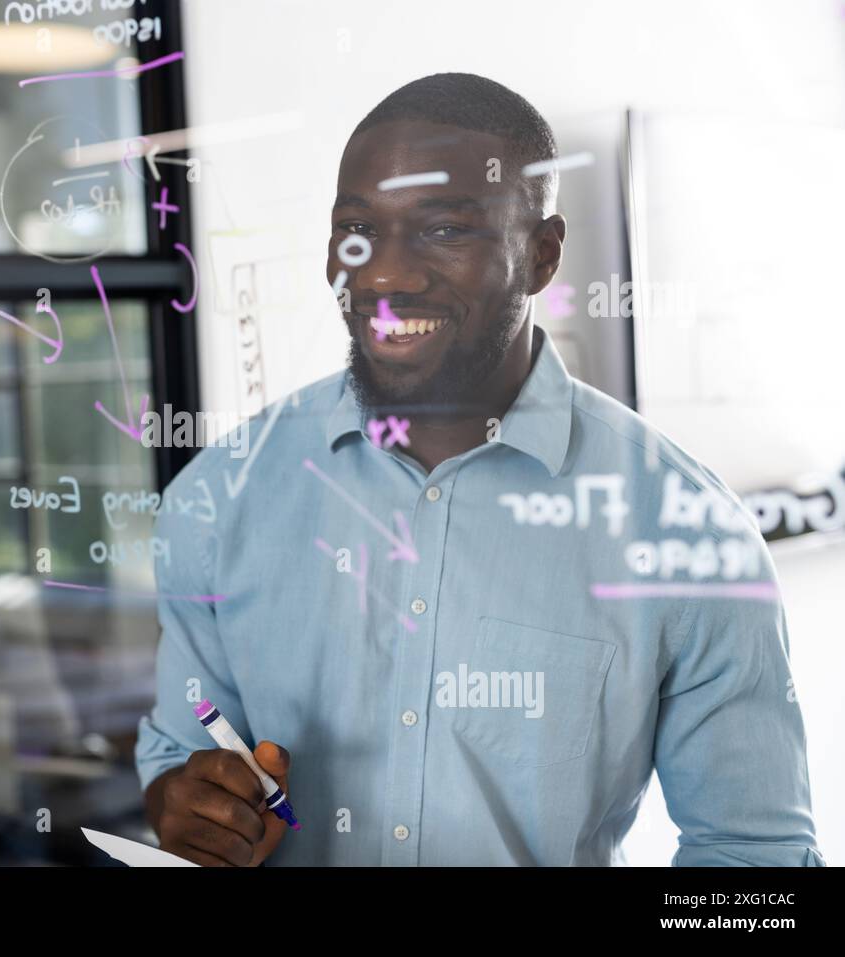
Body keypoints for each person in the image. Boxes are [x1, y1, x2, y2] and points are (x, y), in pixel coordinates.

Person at [134, 72, 824, 866]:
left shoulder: (683, 525)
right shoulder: (219, 496)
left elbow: (755, 859)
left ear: (541, 254)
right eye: (358, 228)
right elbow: (173, 763)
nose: (386, 274)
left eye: (445, 230)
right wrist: (186, 805)